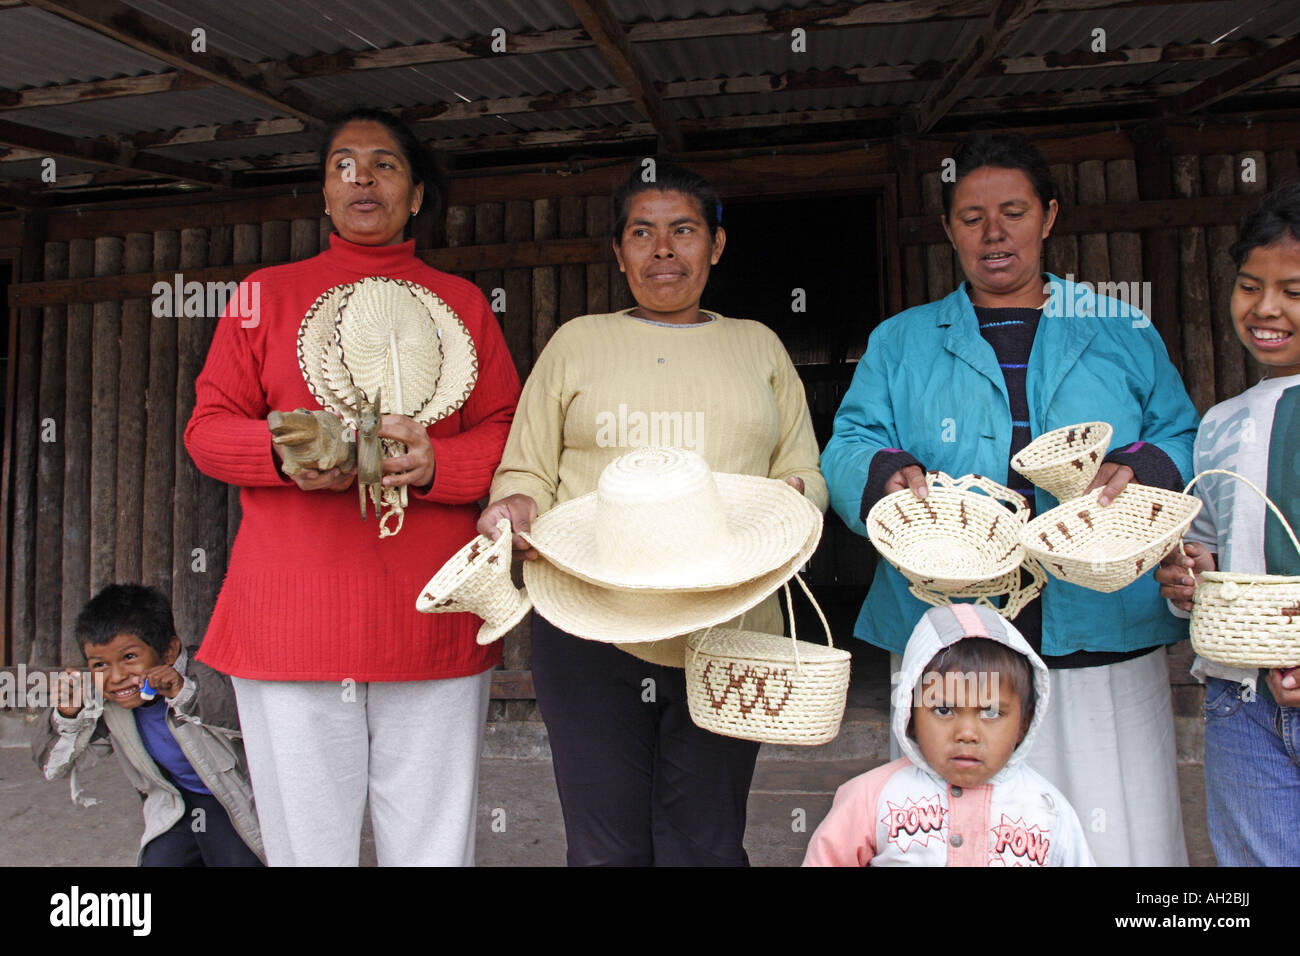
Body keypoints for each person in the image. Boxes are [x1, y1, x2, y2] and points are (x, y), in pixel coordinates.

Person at [820, 133, 1200, 865]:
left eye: (1014, 211)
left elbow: (1178, 430)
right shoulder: (902, 342)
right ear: (948, 229)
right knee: (963, 833)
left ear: (1049, 216)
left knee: (1118, 826)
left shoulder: (1120, 327)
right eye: (971, 217)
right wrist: (882, 473)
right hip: (954, 623)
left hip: (1100, 613)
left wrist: (1142, 462)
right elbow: (849, 442)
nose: (994, 233)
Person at [184, 108, 520, 866]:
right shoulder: (261, 294)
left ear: (416, 195)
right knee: (308, 846)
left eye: (383, 164)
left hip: (430, 608)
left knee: (432, 845)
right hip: (292, 616)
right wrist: (284, 454)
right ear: (325, 193)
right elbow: (206, 429)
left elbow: (506, 426)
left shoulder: (462, 305)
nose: (360, 177)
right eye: (342, 165)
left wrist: (439, 466)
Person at [480, 159, 828, 866]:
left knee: (706, 841)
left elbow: (803, 470)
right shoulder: (577, 341)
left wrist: (792, 504)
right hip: (590, 624)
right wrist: (512, 507)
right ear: (618, 251)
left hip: (730, 625)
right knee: (604, 845)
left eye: (683, 231)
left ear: (717, 245)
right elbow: (526, 468)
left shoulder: (758, 345)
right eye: (641, 232)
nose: (663, 250)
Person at [1156, 182, 1300, 866]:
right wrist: (1188, 575)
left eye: (1293, 291)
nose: (1266, 308)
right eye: (1249, 285)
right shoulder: (1219, 424)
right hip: (1240, 701)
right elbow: (1208, 549)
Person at [803, 604, 1093, 866]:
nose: (967, 733)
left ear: (1023, 723)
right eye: (943, 710)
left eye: (991, 713)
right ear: (910, 714)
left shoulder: (1048, 811)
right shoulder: (870, 797)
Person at [32, 585, 264, 866]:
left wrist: (184, 694)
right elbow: (55, 767)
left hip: (234, 798)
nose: (116, 676)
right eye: (100, 664)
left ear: (169, 652)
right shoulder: (104, 702)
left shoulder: (207, 674)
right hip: (176, 801)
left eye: (129, 657)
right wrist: (68, 715)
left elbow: (246, 722)